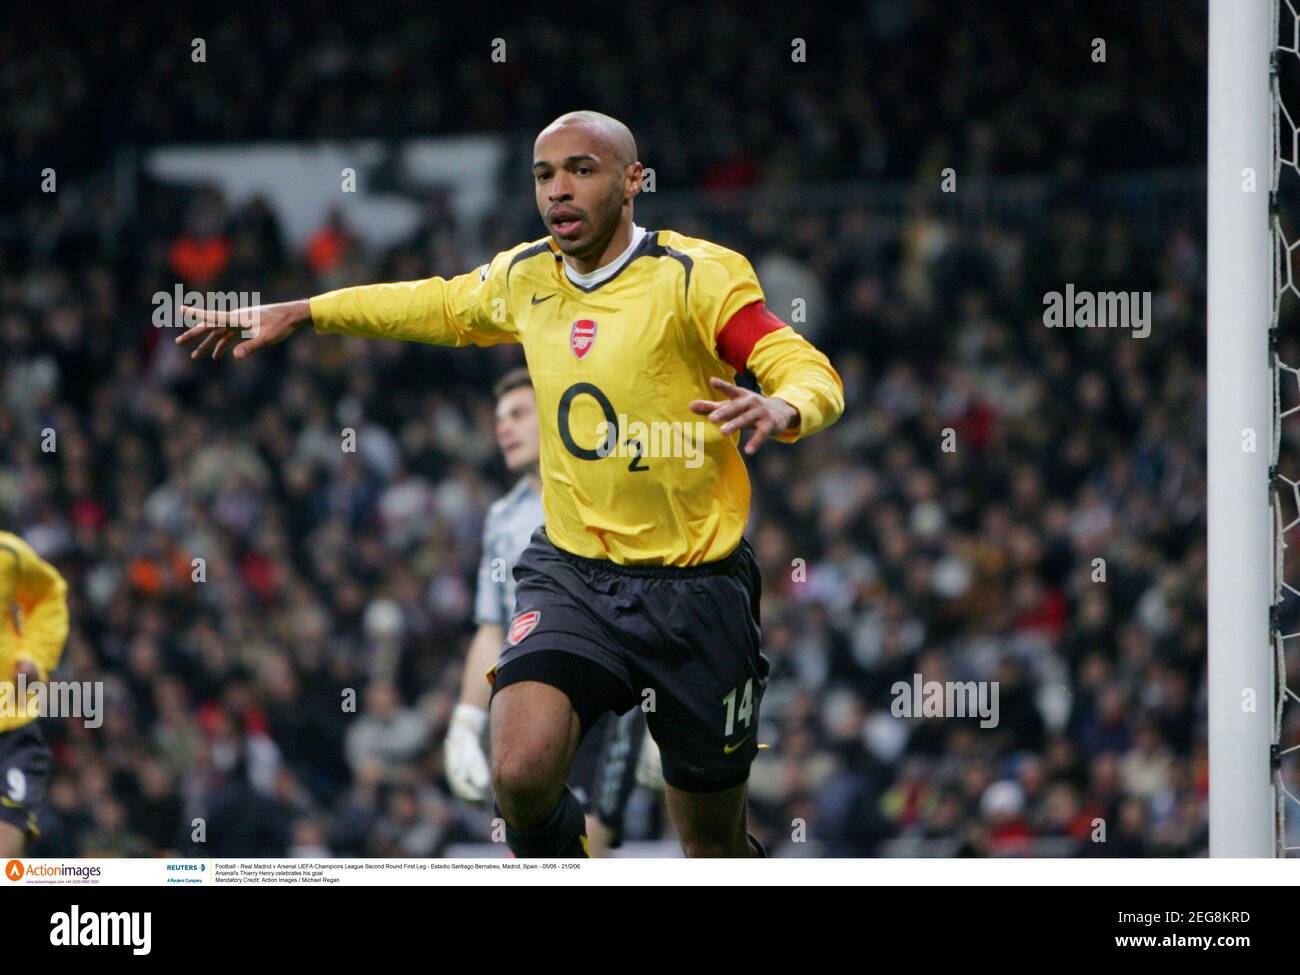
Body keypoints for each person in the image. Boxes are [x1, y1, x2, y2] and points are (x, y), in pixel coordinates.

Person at [178, 109, 845, 857]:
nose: (558, 190)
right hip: (575, 576)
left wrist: (785, 403)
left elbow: (800, 362)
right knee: (521, 774)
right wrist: (305, 311)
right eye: (543, 174)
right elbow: (432, 303)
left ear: (633, 182)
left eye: (581, 170)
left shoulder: (693, 277)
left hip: (697, 593)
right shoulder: (526, 276)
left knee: (713, 851)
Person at [445, 367, 658, 854]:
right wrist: (464, 723)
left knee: (583, 852)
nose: (503, 427)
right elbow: (492, 629)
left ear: (553, 419)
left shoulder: (608, 498)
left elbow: (648, 607)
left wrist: (662, 718)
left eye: (518, 414)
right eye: (499, 418)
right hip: (523, 698)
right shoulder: (501, 519)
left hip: (604, 700)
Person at [0, 531, 70, 856]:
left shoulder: (8, 554)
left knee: (6, 837)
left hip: (10, 725)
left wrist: (35, 656)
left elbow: (49, 593)